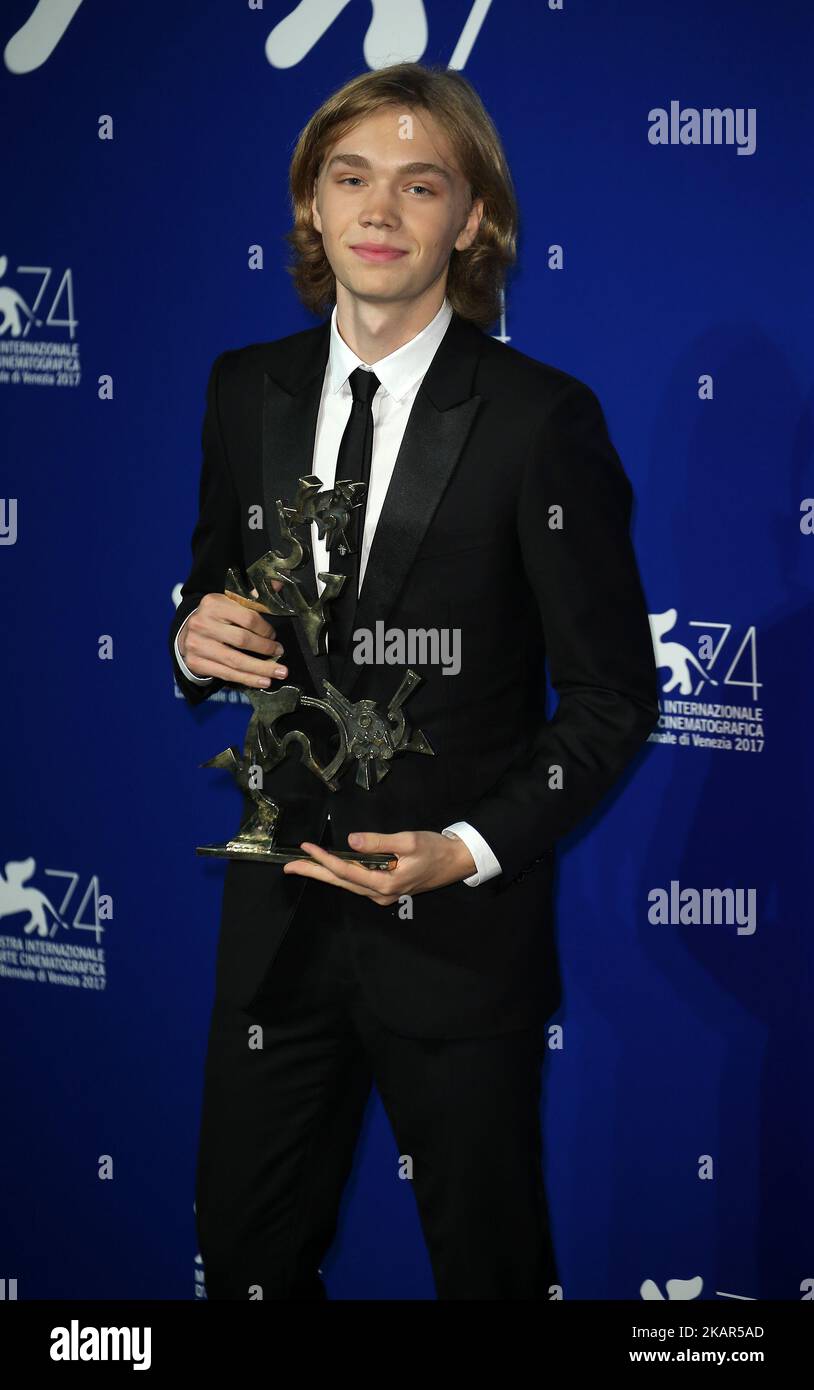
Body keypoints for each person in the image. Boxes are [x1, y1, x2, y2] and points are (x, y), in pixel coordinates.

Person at [169, 61, 659, 1300]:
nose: (379, 210)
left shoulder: (542, 420)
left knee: (487, 1274)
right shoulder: (244, 389)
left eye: (419, 183)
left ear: (472, 218)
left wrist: (468, 847)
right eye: (351, 178)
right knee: (244, 1265)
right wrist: (190, 635)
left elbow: (611, 697)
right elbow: (213, 588)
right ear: (313, 206)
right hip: (277, 926)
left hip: (455, 936)